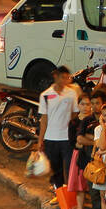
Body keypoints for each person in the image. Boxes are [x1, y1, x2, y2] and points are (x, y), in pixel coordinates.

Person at [33, 66, 78, 196]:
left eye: (66, 77)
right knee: (56, 169)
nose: (65, 80)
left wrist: (67, 122)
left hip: (67, 138)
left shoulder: (72, 93)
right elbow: (44, 120)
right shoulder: (45, 95)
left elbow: (75, 113)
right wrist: (40, 140)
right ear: (56, 77)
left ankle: (71, 194)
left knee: (70, 168)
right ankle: (59, 194)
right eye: (62, 77)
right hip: (51, 138)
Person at [67, 93, 97, 209]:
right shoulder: (74, 122)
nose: (85, 107)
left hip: (93, 155)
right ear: (78, 105)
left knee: (93, 184)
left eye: (88, 104)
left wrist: (85, 140)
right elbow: (75, 141)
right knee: (79, 184)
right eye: (82, 104)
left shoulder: (94, 120)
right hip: (79, 155)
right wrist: (91, 141)